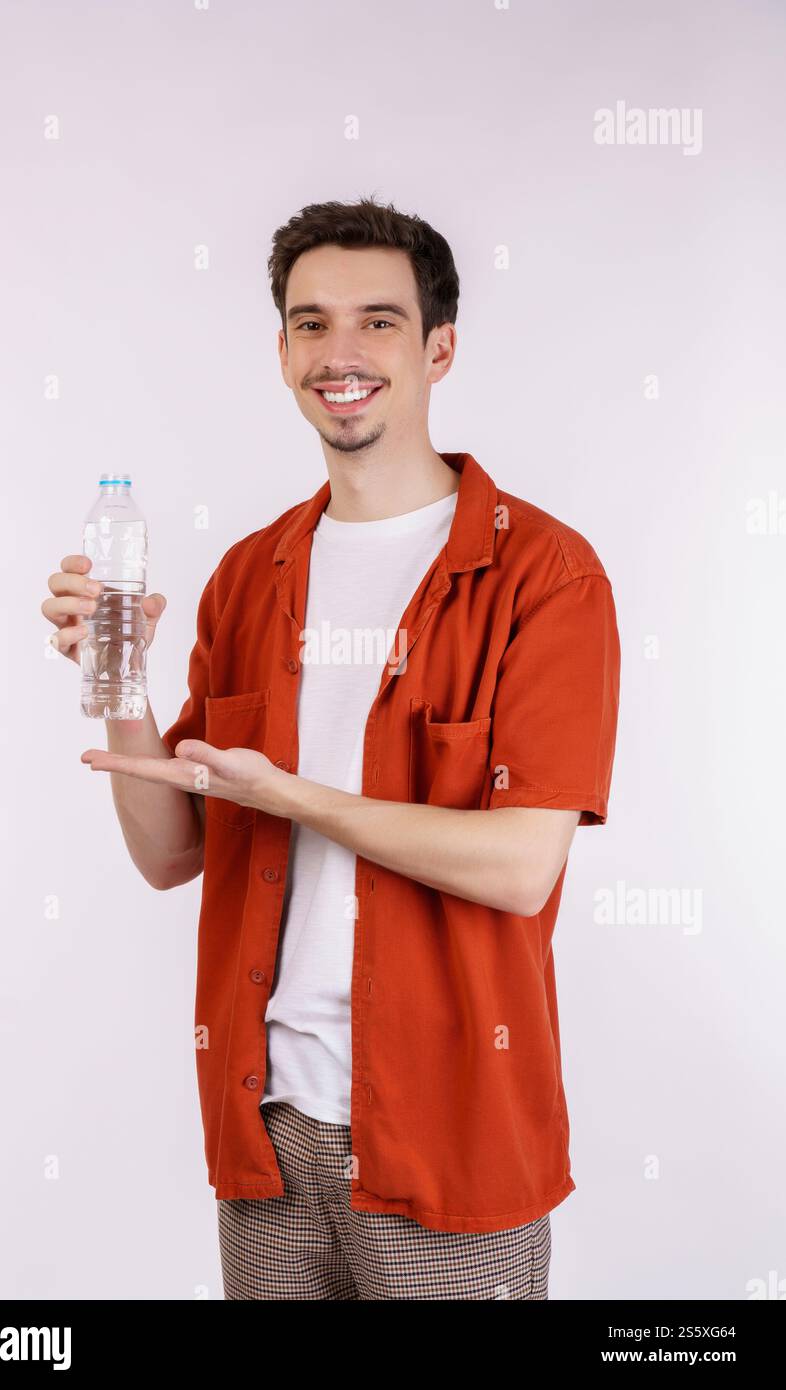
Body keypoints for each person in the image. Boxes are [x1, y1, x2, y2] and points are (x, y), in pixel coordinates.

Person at [43, 196, 621, 1300]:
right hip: (268, 1138)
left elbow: (518, 865)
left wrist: (297, 795)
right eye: (309, 324)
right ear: (280, 351)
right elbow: (173, 853)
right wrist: (114, 680)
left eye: (376, 322)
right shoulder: (249, 574)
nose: (339, 354)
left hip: (448, 1144)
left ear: (438, 347)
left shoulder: (544, 574)